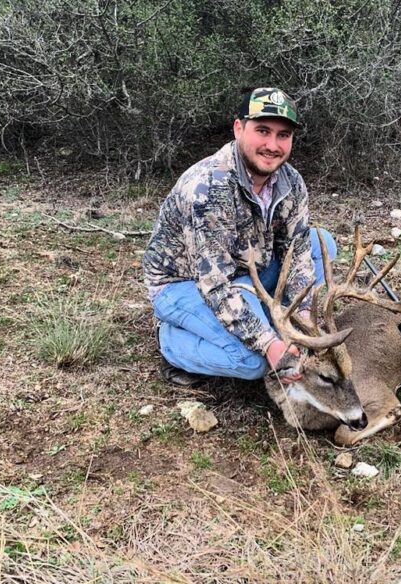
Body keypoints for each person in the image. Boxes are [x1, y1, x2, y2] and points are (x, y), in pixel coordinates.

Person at [142, 87, 336, 386]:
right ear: (238, 128)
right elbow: (216, 285)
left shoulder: (290, 182)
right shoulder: (208, 188)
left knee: (321, 242)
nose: (272, 145)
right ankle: (170, 341)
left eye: (283, 135)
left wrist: (305, 317)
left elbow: (296, 251)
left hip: (247, 272)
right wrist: (270, 344)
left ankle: (269, 322)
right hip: (185, 285)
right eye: (262, 131)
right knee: (252, 362)